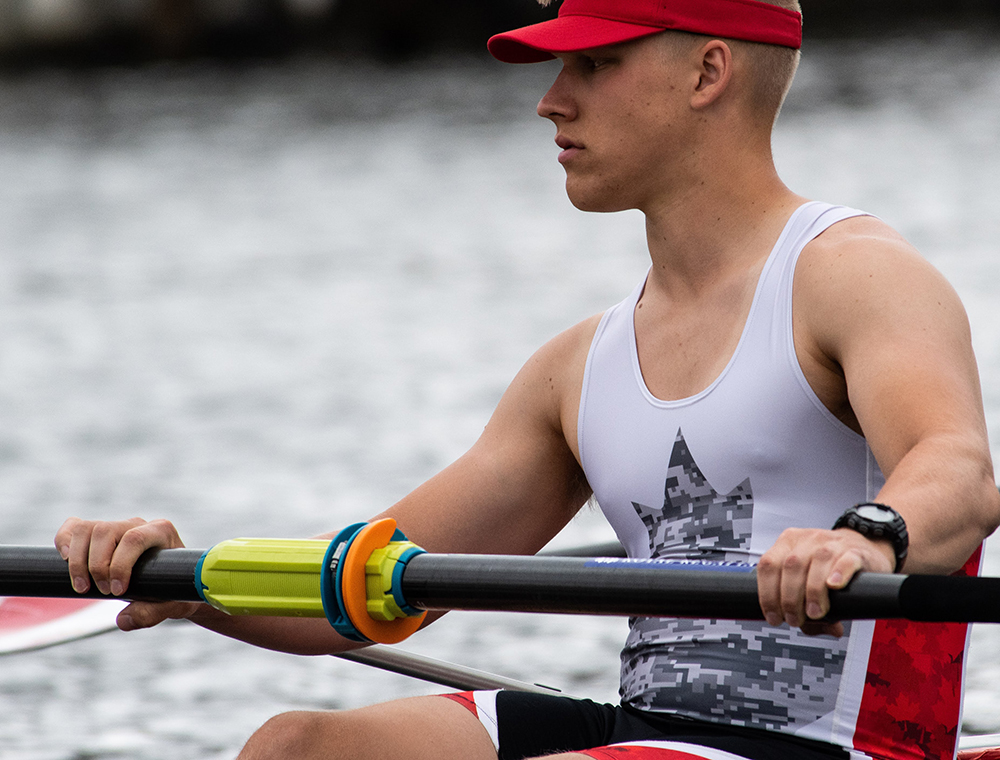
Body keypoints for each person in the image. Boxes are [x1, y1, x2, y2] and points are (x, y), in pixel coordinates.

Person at [55, 0, 1000, 758]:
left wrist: (868, 540)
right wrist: (187, 580)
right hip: (647, 733)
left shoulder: (855, 274)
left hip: (834, 745)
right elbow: (365, 591)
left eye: (594, 65)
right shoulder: (576, 368)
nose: (552, 100)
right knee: (297, 746)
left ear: (708, 72)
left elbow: (956, 468)